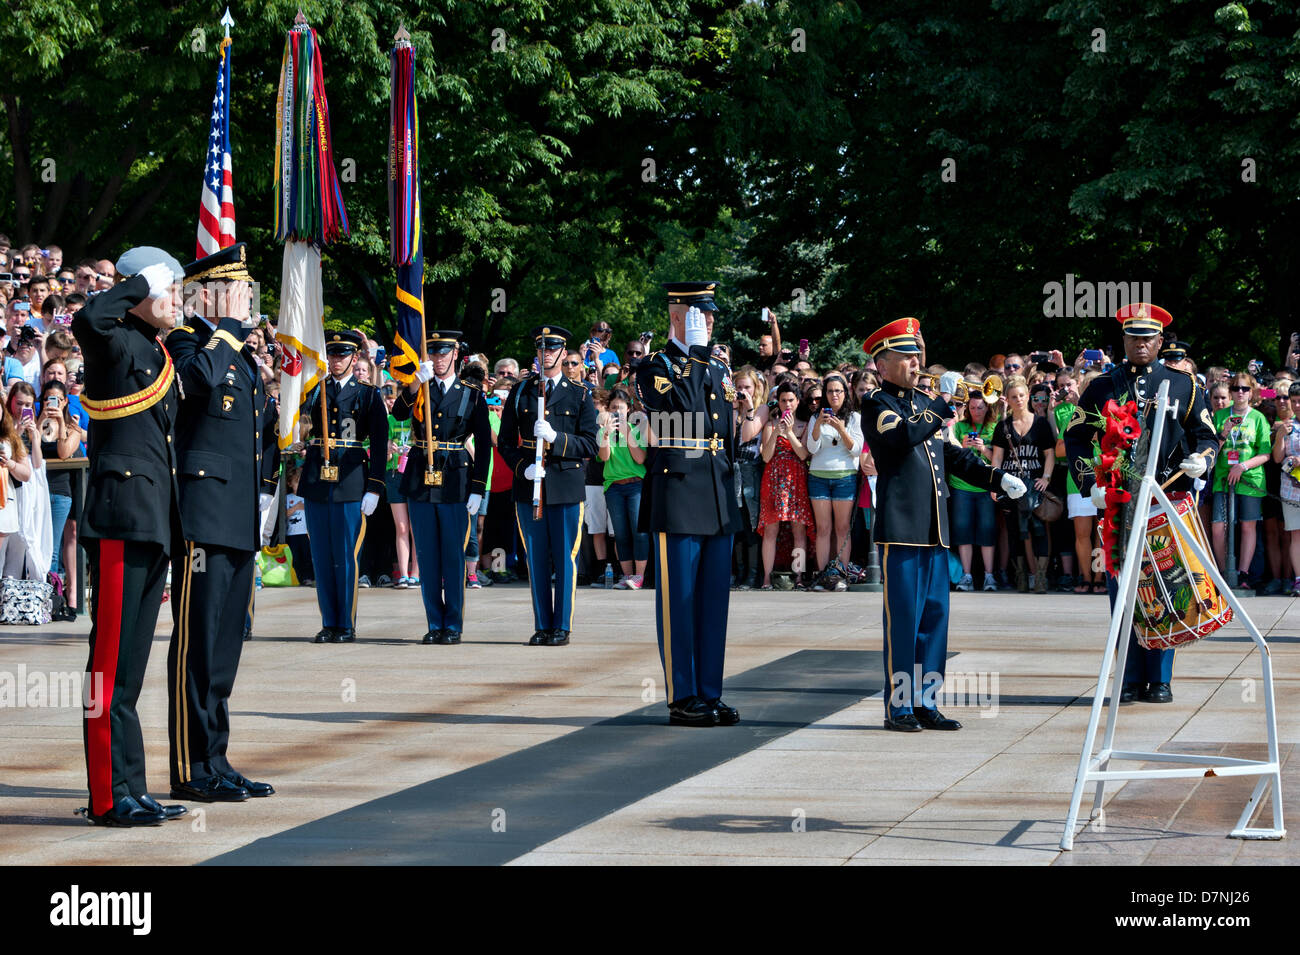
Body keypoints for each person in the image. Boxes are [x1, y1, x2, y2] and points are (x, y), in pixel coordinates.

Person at [859, 317, 1024, 732]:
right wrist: (937, 407)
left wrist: (994, 476)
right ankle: (898, 707)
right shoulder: (878, 403)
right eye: (905, 356)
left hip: (935, 530)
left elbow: (951, 457)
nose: (915, 363)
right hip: (902, 531)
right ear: (882, 363)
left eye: (917, 356)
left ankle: (925, 702)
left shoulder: (922, 406)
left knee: (934, 621)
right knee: (904, 623)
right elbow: (899, 440)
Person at [72, 246, 187, 826]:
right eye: (171, 292)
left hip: (152, 520)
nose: (178, 303)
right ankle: (104, 797)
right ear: (141, 292)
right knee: (108, 668)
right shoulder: (113, 340)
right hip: (120, 518)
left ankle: (131, 786)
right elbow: (86, 317)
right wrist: (141, 280)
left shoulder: (156, 350)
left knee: (130, 672)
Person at [164, 242, 275, 803]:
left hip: (237, 518)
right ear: (205, 294)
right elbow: (196, 384)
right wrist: (227, 329)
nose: (244, 299)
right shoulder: (187, 343)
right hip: (201, 518)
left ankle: (217, 757)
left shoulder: (241, 353)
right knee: (197, 643)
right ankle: (189, 765)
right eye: (234, 288)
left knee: (226, 646)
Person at [1064, 303, 1218, 705]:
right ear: (1124, 340)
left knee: (1168, 585)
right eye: (1134, 336)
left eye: (1148, 337)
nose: (1141, 343)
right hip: (1119, 502)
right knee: (1125, 593)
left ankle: (1160, 678)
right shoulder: (1102, 387)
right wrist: (1087, 481)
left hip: (1167, 497)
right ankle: (1129, 678)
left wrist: (1202, 459)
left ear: (1161, 340)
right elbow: (1076, 438)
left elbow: (1207, 435)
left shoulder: (1184, 385)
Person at [636, 282, 743, 726]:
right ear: (678, 315)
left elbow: (725, 432)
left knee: (714, 601)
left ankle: (709, 691)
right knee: (679, 600)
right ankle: (683, 695)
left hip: (716, 492)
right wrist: (697, 357)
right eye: (703, 314)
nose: (711, 321)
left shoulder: (715, 367)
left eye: (712, 314)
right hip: (678, 492)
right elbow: (682, 410)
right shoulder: (656, 366)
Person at [390, 330, 492, 645]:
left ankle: (454, 625)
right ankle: (435, 622)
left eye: (444, 353)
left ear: (456, 356)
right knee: (428, 556)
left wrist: (478, 488)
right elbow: (398, 413)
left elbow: (485, 444)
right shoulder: (419, 389)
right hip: (421, 479)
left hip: (456, 480)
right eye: (433, 353)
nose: (438, 359)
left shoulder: (471, 393)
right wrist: (414, 383)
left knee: (452, 555)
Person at [498, 325, 598, 646]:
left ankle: (562, 627)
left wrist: (558, 439)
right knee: (537, 558)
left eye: (553, 348)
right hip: (530, 485)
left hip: (566, 484)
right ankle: (542, 624)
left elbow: (590, 444)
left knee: (565, 559)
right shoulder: (521, 391)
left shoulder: (580, 393)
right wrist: (523, 468)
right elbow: (504, 441)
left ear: (563, 351)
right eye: (542, 348)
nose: (547, 353)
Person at [298, 330, 389, 643]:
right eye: (332, 354)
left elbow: (379, 444)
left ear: (354, 358)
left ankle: (346, 623)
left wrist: (375, 487)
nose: (336, 360)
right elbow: (300, 425)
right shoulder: (314, 390)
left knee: (345, 555)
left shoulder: (367, 395)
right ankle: (329, 621)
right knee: (321, 556)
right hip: (316, 481)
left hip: (350, 481)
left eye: (342, 354)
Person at [990, 375, 1055, 592]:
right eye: (1013, 397)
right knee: (1014, 531)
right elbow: (997, 458)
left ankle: (1041, 578)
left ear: (1028, 396)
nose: (1018, 399)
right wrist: (994, 483)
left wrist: (1046, 478)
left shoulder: (1041, 423)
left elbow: (1050, 454)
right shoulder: (1003, 426)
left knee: (1039, 530)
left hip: (1035, 486)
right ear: (1007, 400)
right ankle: (1020, 577)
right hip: (1011, 485)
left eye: (1021, 395)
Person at [1209, 372, 1271, 588]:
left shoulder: (1258, 418)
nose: (1241, 392)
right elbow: (1211, 450)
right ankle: (1224, 573)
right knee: (1218, 527)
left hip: (1249, 478)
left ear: (1251, 392)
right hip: (1223, 478)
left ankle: (1243, 573)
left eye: (1245, 389)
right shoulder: (1219, 415)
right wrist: (1224, 433)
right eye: (1236, 388)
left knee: (1247, 526)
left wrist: (1242, 466)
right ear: (1231, 391)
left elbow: (1265, 454)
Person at [805, 372, 863, 590]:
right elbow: (812, 449)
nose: (834, 395)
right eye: (830, 391)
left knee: (842, 528)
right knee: (823, 528)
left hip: (844, 477)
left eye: (838, 391)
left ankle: (841, 576)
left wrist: (840, 428)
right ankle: (822, 575)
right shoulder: (815, 418)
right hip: (819, 477)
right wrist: (819, 424)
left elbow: (856, 450)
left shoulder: (855, 418)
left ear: (845, 393)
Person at [758, 381, 813, 589]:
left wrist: (789, 432)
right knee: (770, 530)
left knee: (798, 531)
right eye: (783, 400)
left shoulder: (804, 424)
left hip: (796, 479)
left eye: (791, 400)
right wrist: (776, 431)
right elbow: (765, 456)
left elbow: (803, 454)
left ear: (798, 401)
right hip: (773, 479)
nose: (787, 404)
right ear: (778, 402)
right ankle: (766, 578)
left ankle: (798, 577)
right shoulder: (770, 425)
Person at [949, 379, 1001, 592]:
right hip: (961, 486)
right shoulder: (959, 426)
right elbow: (951, 454)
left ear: (987, 407)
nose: (976, 411)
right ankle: (967, 575)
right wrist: (963, 446)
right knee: (963, 532)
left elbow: (998, 458)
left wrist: (984, 450)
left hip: (985, 487)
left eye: (980, 407)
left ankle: (989, 576)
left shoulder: (994, 427)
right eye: (972, 407)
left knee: (987, 531)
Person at [597, 386, 649, 588]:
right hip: (614, 487)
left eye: (620, 408)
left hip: (636, 485)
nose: (616, 412)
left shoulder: (636, 430)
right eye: (612, 408)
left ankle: (639, 576)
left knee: (639, 531)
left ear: (628, 409)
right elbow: (604, 457)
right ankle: (627, 576)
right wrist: (606, 435)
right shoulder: (603, 431)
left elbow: (640, 459)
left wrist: (626, 433)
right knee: (620, 533)